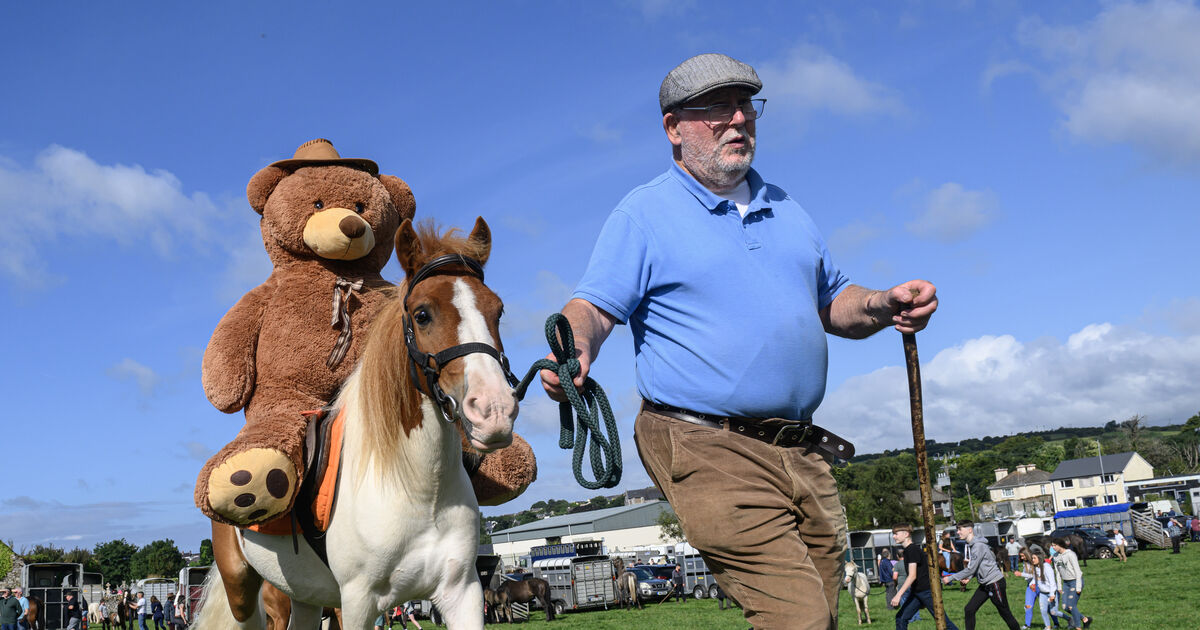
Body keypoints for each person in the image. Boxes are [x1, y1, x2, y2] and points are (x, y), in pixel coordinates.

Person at [540, 52, 938, 630]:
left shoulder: (786, 206)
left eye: (746, 105)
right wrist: (572, 348)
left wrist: (882, 303)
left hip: (802, 448)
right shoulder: (645, 213)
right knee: (799, 617)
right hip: (706, 444)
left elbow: (833, 300)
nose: (737, 119)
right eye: (715, 109)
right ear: (674, 129)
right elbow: (595, 308)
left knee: (824, 612)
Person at [943, 519, 1021, 630]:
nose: (958, 532)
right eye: (957, 530)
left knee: (1005, 613)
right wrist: (969, 577)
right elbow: (982, 563)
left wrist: (950, 578)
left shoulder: (978, 546)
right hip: (985, 584)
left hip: (995, 583)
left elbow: (971, 568)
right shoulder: (974, 545)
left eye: (960, 529)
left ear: (970, 530)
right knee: (969, 609)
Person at [890, 524, 954, 629]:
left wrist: (898, 595)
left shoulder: (912, 550)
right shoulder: (908, 550)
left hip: (926, 592)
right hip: (917, 592)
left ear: (906, 534)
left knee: (944, 621)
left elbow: (912, 576)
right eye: (893, 534)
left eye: (896, 534)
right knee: (901, 618)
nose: (894, 536)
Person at [1049, 538, 1091, 629]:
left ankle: (1078, 627)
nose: (1053, 547)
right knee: (1065, 607)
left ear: (1060, 545)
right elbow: (1057, 573)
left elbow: (1078, 571)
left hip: (1075, 581)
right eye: (1052, 545)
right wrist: (1059, 586)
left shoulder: (1070, 554)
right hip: (1066, 584)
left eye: (1055, 545)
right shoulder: (1055, 556)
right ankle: (1085, 619)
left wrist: (1078, 587)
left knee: (1071, 606)